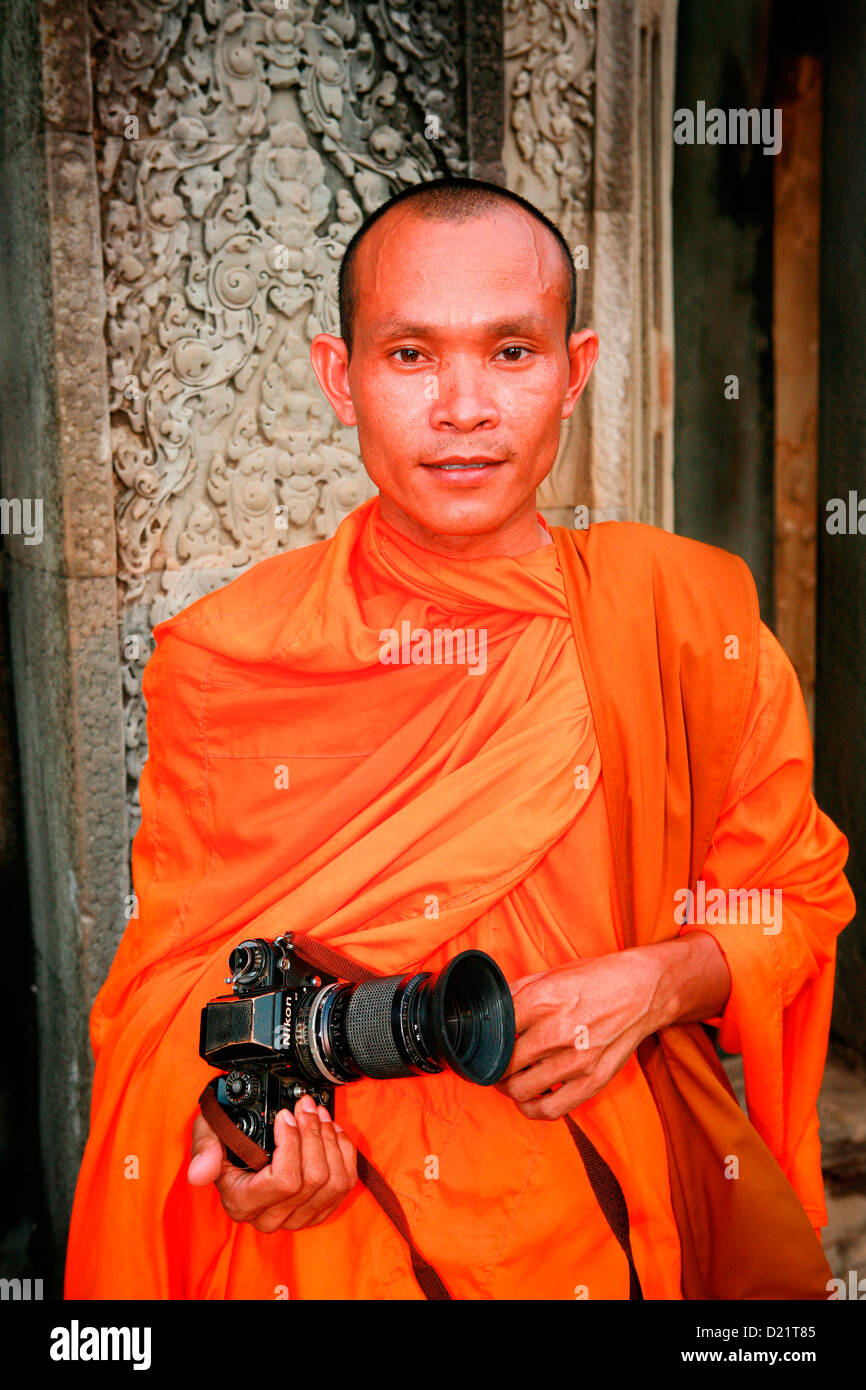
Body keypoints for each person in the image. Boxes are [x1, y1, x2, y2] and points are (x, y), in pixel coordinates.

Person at [64, 178, 855, 1300]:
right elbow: (162, 999)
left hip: (609, 1230)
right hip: (337, 1239)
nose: (464, 408)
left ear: (574, 370)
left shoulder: (679, 619)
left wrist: (659, 980)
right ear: (340, 379)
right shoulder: (231, 655)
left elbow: (791, 898)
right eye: (410, 357)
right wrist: (245, 1154)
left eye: (511, 353)